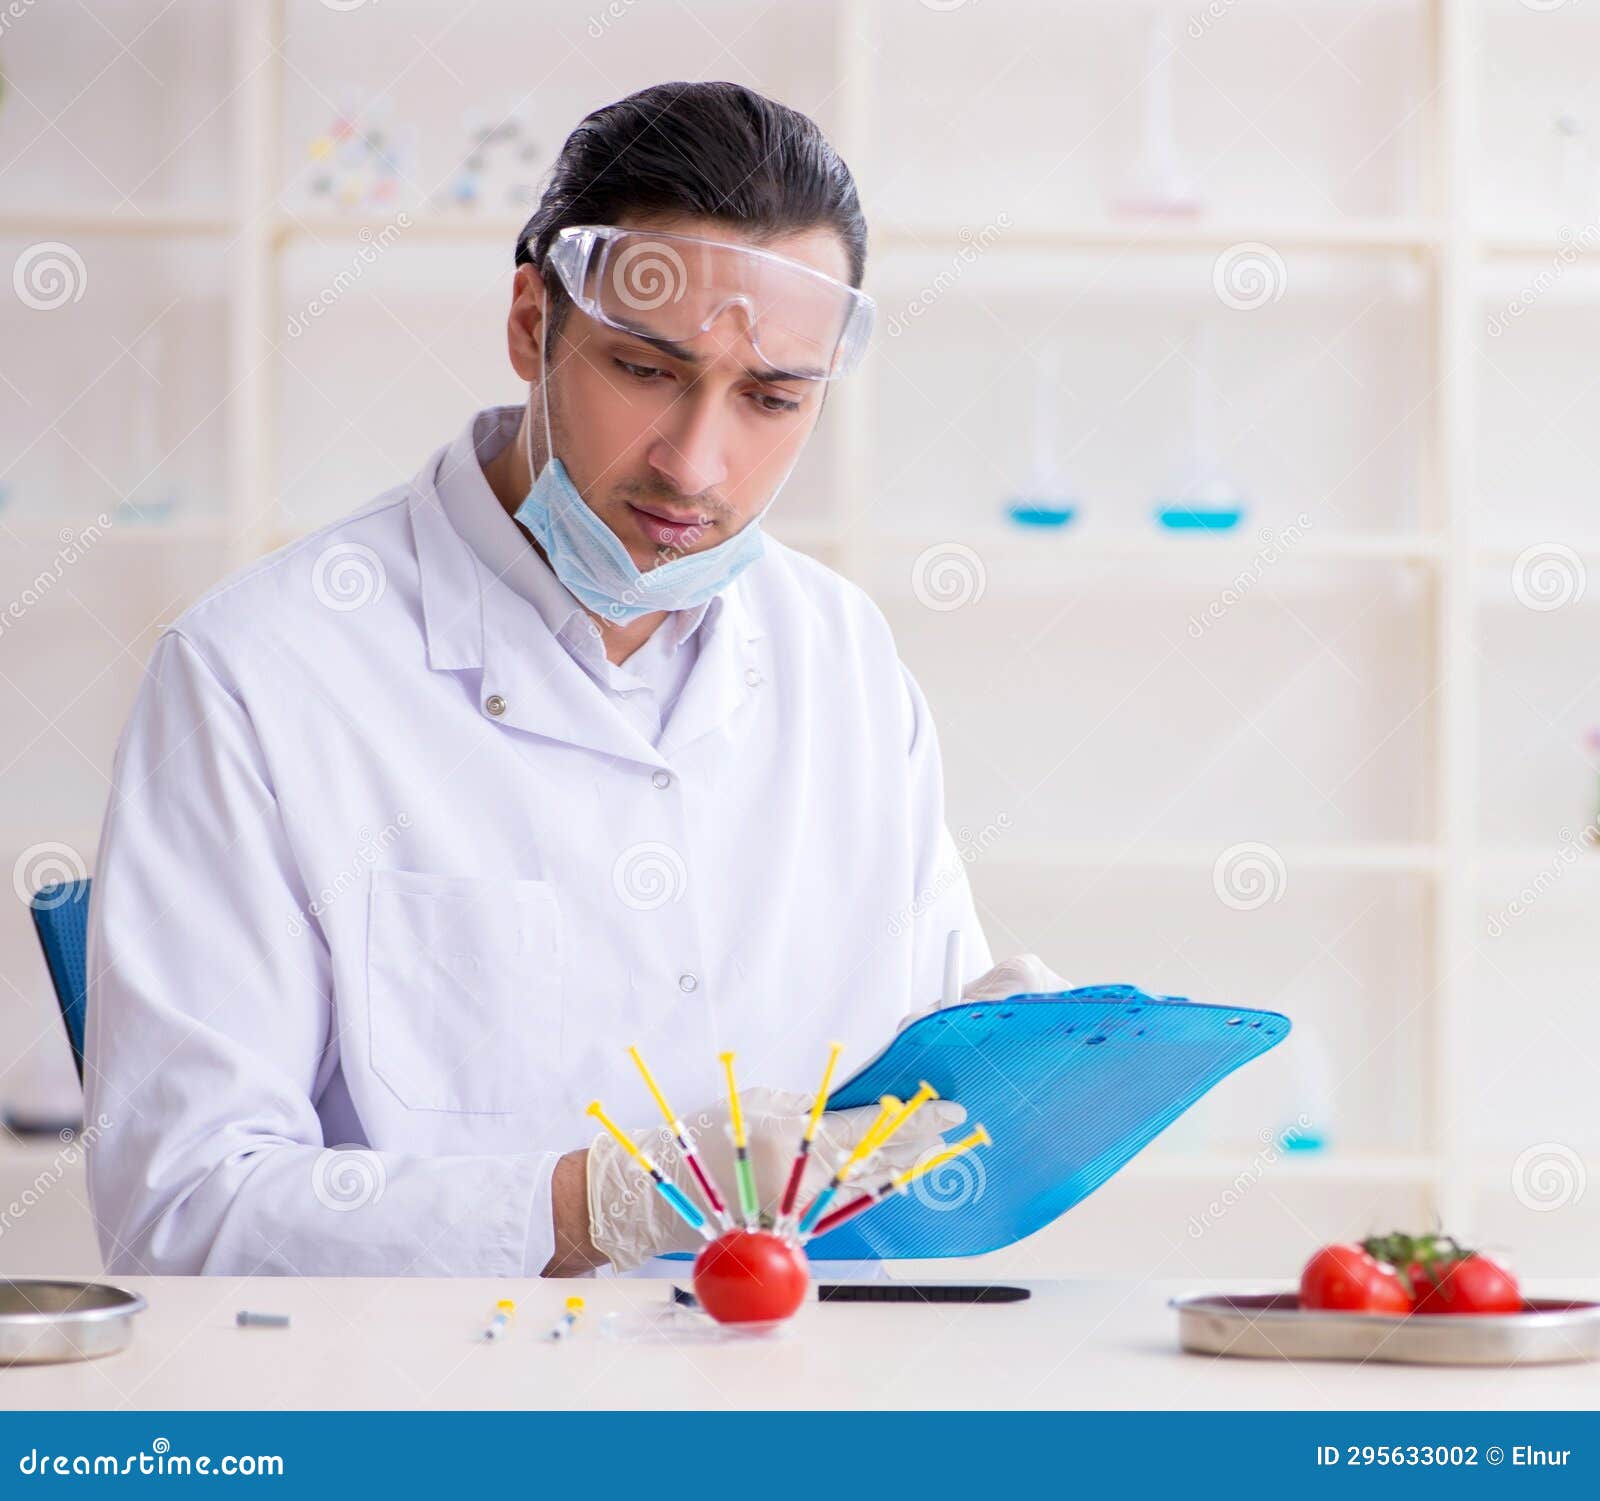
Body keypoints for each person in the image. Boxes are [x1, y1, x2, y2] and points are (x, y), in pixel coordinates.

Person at [85, 80, 1057, 1279]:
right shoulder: (262, 672)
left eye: (770, 397)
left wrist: (994, 1064)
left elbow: (894, 1116)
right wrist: (590, 1207)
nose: (696, 464)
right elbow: (180, 1211)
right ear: (528, 320)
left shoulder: (840, 657)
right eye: (646, 369)